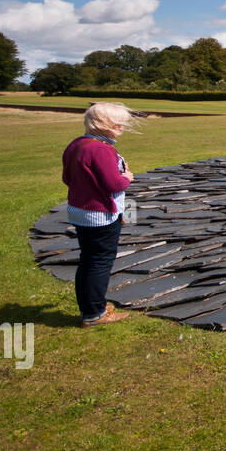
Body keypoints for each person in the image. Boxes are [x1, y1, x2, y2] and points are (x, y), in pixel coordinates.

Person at [62, 102, 139, 326]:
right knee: (99, 262)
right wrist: (127, 178)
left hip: (80, 212)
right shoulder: (101, 149)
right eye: (120, 122)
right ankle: (94, 313)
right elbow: (113, 183)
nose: (123, 126)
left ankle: (92, 305)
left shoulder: (78, 144)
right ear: (109, 125)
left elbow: (68, 179)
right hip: (99, 215)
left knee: (88, 260)